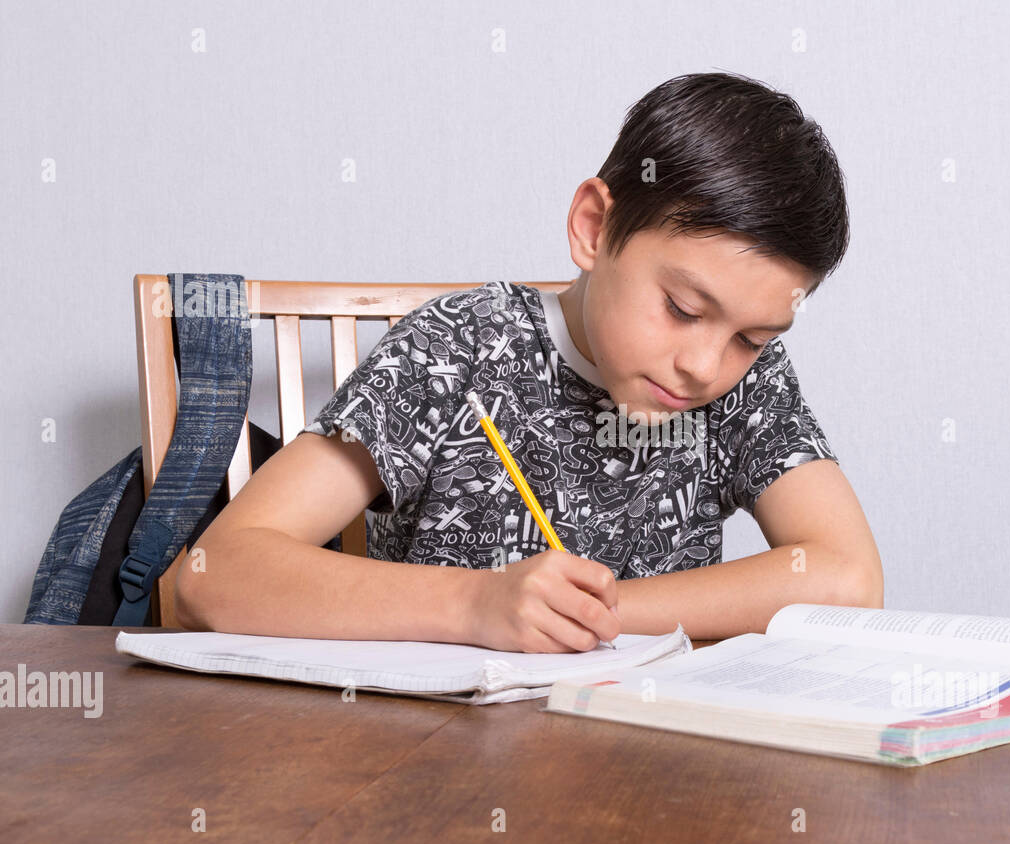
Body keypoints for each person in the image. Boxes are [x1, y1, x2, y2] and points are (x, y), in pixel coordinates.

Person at [176, 71, 883, 651]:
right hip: (436, 770)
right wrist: (477, 606)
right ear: (593, 228)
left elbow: (848, 579)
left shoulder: (746, 383)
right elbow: (214, 575)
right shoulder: (458, 346)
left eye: (751, 337)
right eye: (682, 309)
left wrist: (597, 612)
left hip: (647, 780)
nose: (704, 364)